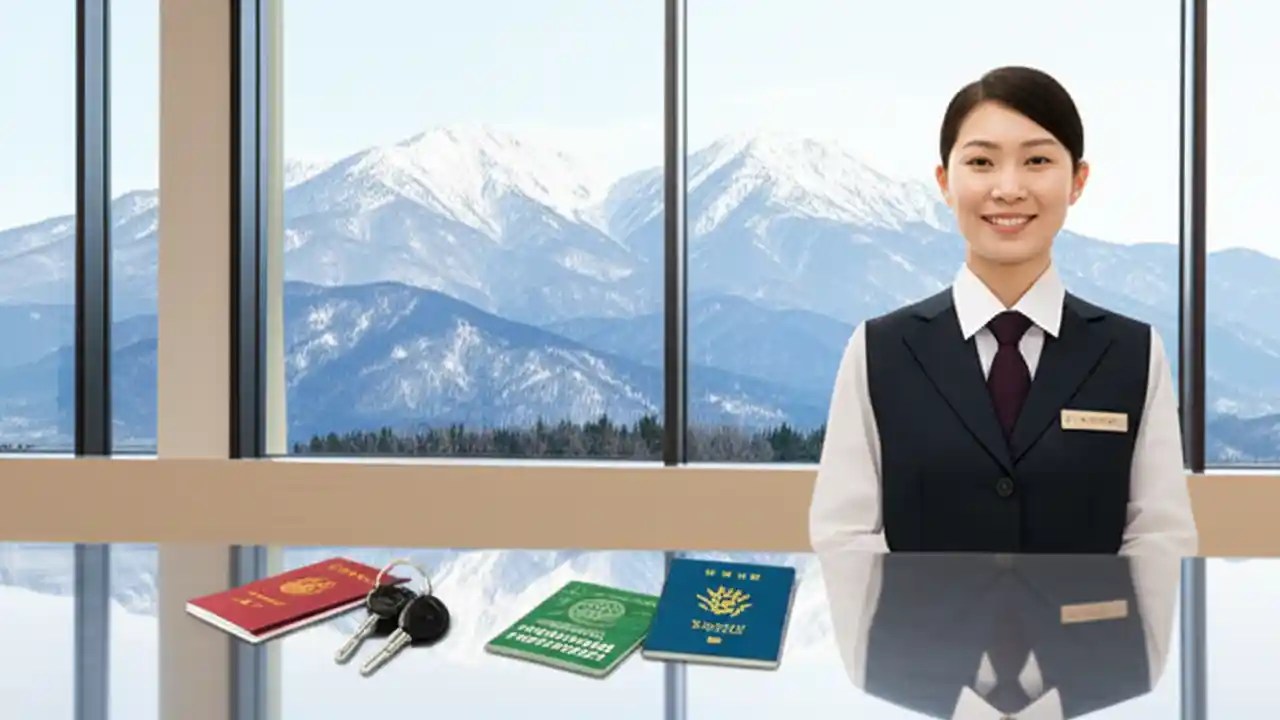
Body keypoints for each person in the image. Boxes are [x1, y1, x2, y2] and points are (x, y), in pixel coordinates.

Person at [808, 65, 1198, 556]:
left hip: (1093, 613)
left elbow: (1160, 536)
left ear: (1077, 181)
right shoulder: (880, 350)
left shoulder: (1133, 353)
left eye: (1037, 160)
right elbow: (844, 536)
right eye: (981, 162)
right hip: (922, 612)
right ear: (944, 181)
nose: (1009, 188)